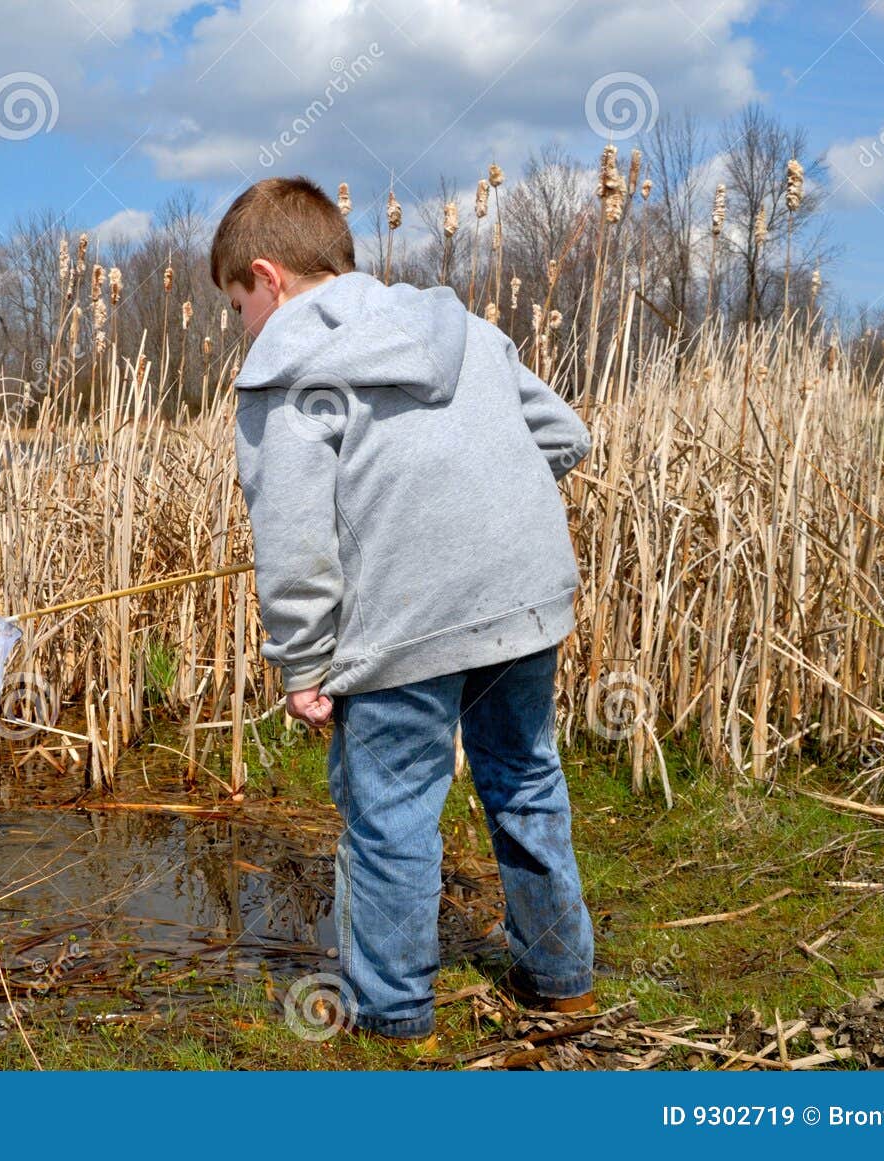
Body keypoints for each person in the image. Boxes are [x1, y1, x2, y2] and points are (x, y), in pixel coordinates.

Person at [210, 175, 597, 1042]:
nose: (240, 326)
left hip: (407, 618)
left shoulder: (284, 370)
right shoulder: (464, 329)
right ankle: (563, 978)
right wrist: (477, 501)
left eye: (237, 304)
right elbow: (566, 435)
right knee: (526, 777)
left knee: (392, 813)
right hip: (523, 597)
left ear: (268, 278)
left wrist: (304, 664)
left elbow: (297, 542)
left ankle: (391, 1017)